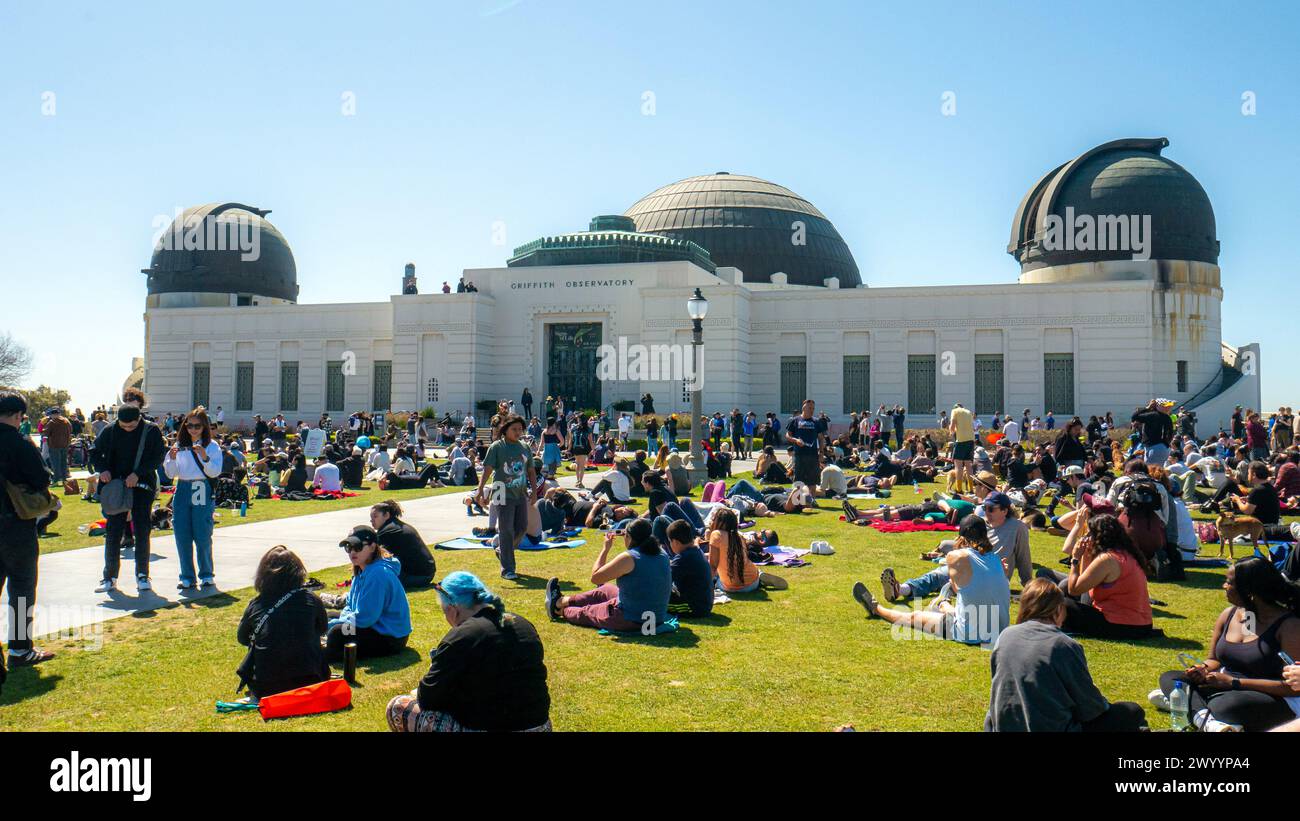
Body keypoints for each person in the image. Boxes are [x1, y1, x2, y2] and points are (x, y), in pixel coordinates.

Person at [387, 571, 551, 732]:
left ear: (452, 609)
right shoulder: (522, 623)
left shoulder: (461, 637)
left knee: (397, 707)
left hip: (490, 725)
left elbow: (428, 698)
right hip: (540, 725)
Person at [1152, 558, 1300, 731]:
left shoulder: (1289, 626)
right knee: (1171, 677)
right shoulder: (1228, 615)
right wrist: (1202, 669)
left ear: (1250, 591)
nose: (1224, 586)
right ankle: (1206, 720)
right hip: (1223, 685)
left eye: (1229, 582)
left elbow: (1293, 688)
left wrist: (1234, 683)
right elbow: (1213, 660)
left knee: (1224, 705)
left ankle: (1185, 704)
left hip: (1272, 696)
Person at [985, 577, 1146, 731]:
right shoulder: (1063, 645)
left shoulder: (1005, 636)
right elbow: (1090, 707)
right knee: (1132, 712)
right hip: (1052, 726)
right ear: (1058, 609)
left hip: (1005, 725)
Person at [853, 515, 1010, 647]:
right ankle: (942, 605)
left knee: (914, 617)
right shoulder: (996, 558)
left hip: (970, 633)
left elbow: (956, 588)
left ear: (961, 537)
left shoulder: (955, 556)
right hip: (999, 629)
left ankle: (875, 608)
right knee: (963, 604)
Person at [0, 390, 56, 674]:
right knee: (21, 588)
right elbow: (41, 477)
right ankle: (20, 649)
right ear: (18, 415)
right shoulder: (20, 443)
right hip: (14, 523)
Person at [90, 388, 166, 594]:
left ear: (138, 419)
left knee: (142, 530)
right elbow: (94, 452)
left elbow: (158, 456)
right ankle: (109, 577)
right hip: (116, 486)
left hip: (142, 486)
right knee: (113, 531)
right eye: (123, 426)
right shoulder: (111, 429)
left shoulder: (151, 431)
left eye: (131, 426)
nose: (127, 429)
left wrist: (139, 473)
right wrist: (103, 469)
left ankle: (142, 575)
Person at [1037, 511, 1154, 639]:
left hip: (1121, 625)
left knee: (1060, 603)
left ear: (1098, 536)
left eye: (1089, 534)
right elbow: (1083, 583)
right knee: (1064, 595)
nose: (1087, 537)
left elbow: (1075, 589)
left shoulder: (1107, 559)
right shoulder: (1127, 554)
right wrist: (1086, 555)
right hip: (1141, 625)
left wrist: (1075, 559)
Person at [235, 545, 330, 701]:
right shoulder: (311, 599)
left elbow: (242, 638)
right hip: (311, 681)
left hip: (266, 686)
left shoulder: (256, 604)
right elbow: (322, 628)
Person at [545, 518, 671, 632]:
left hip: (632, 619)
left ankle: (559, 610)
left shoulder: (629, 558)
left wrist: (605, 548)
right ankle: (561, 601)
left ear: (630, 538)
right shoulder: (662, 553)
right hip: (656, 617)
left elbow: (595, 577)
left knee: (587, 612)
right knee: (604, 589)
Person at [325, 526, 412, 661]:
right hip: (373, 626)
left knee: (337, 632)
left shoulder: (378, 574)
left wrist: (333, 625)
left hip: (389, 638)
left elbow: (365, 617)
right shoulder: (362, 570)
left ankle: (327, 652)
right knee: (329, 616)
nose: (352, 552)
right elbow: (350, 605)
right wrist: (337, 620)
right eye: (348, 547)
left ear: (372, 547)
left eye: (357, 546)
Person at [164, 408, 223, 591]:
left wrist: (204, 457)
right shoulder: (178, 446)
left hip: (200, 487)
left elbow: (215, 471)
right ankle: (187, 576)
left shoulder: (212, 446)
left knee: (202, 533)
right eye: (190, 425)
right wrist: (172, 459)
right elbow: (170, 473)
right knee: (182, 533)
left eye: (197, 426)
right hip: (182, 487)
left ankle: (206, 574)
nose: (193, 429)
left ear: (204, 426)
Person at [478, 414, 536, 581]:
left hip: (520, 492)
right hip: (500, 490)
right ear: (505, 430)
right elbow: (488, 469)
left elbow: (531, 470)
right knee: (506, 530)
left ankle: (503, 551)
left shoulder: (525, 447)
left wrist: (533, 492)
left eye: (520, 429)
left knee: (522, 527)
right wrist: (481, 489)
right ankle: (507, 569)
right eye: (514, 429)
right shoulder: (497, 446)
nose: (518, 432)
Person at [709, 508, 788, 593]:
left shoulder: (716, 535)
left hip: (731, 587)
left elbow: (713, 565)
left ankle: (758, 577)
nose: (711, 522)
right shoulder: (739, 537)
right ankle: (759, 576)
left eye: (713, 519)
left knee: (716, 577)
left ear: (720, 523)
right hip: (752, 583)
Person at [370, 499, 435, 589]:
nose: (371, 520)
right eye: (371, 517)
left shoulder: (389, 531)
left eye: (375, 516)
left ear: (386, 515)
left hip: (418, 576)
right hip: (425, 574)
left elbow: (375, 557)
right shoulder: (396, 526)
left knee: (377, 576)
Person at [661, 518, 713, 617]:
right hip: (704, 604)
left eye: (670, 542)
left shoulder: (683, 558)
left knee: (654, 602)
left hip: (693, 607)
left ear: (675, 542)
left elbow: (663, 580)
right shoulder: (695, 551)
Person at [785, 398, 826, 494]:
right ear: (804, 408)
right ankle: (798, 501)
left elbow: (821, 438)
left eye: (813, 408)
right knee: (799, 481)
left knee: (812, 481)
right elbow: (787, 435)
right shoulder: (795, 420)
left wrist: (821, 452)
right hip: (800, 455)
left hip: (813, 455)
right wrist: (795, 440)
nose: (812, 410)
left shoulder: (816, 421)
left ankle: (811, 501)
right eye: (810, 408)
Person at [949, 402, 975, 494]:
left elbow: (952, 425)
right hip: (971, 440)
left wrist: (951, 432)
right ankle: (971, 489)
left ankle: (959, 489)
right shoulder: (968, 412)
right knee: (969, 466)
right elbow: (972, 427)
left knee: (958, 466)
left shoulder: (954, 411)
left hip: (961, 440)